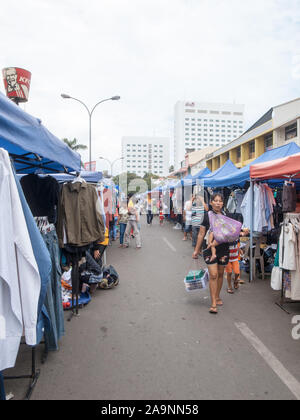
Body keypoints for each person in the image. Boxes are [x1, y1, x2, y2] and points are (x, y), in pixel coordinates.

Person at [192, 193, 247, 314]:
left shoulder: (227, 216)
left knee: (221, 273)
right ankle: (213, 303)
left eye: (220, 201)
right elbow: (201, 233)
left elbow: (234, 231)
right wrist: (196, 250)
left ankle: (217, 296)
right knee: (213, 275)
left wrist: (241, 233)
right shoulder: (207, 216)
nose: (217, 203)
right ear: (211, 202)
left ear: (223, 203)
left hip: (223, 249)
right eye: (215, 201)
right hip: (209, 248)